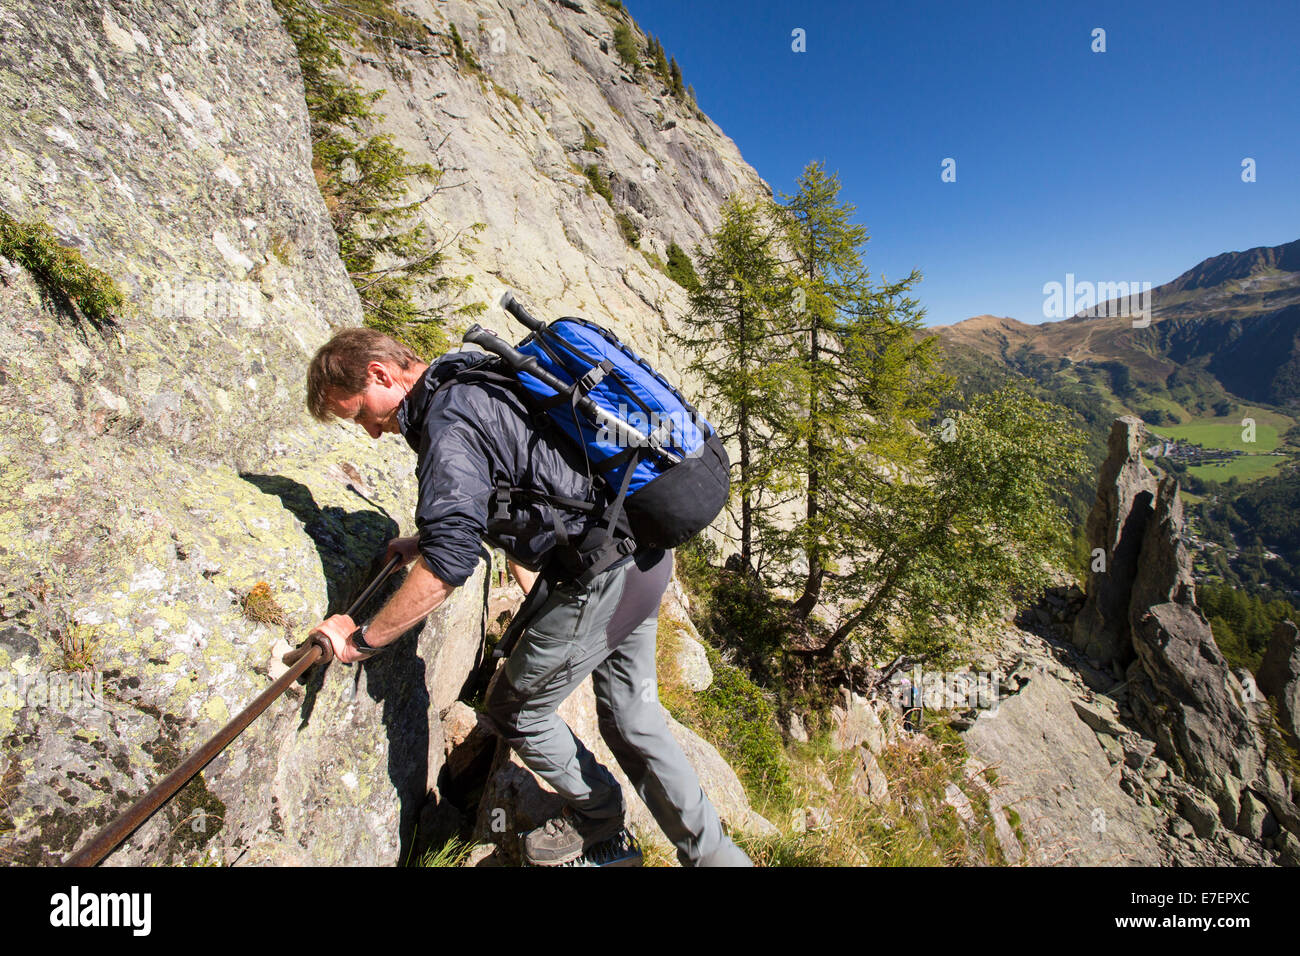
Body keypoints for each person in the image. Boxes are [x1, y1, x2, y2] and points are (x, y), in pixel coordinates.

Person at [303, 327, 752, 867]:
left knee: (516, 708)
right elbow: (522, 476)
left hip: (603, 574)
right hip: (641, 549)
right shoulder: (468, 372)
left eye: (358, 413)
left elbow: (447, 569)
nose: (370, 431)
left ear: (381, 375)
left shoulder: (448, 418)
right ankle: (718, 858)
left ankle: (600, 821)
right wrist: (427, 536)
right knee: (634, 719)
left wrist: (360, 640)